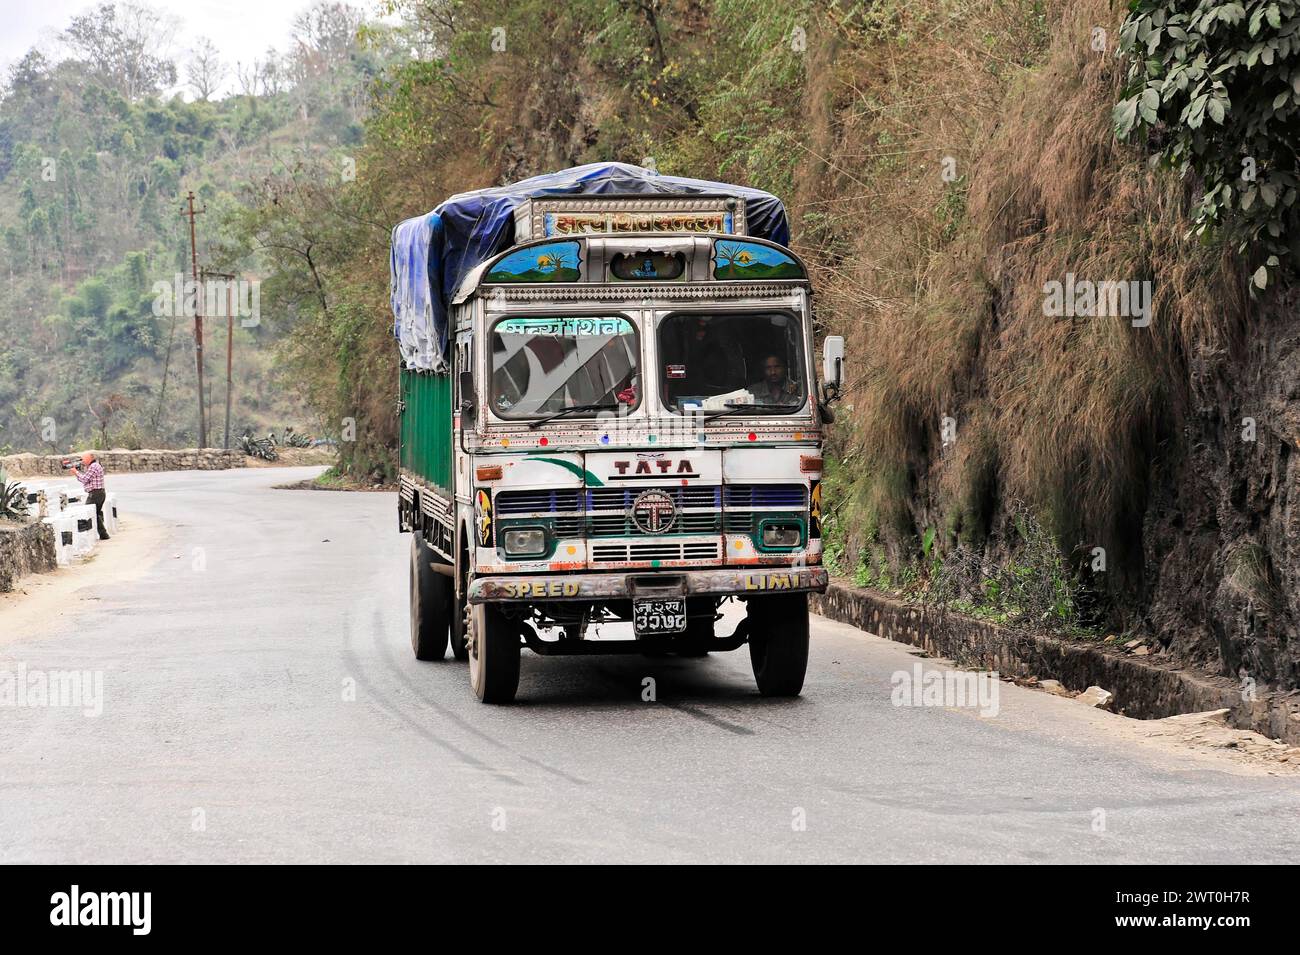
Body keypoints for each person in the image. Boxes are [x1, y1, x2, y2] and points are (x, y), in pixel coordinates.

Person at [70, 452, 110, 540]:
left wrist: (76, 472)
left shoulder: (93, 466)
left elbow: (84, 479)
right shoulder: (93, 466)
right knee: (95, 513)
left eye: (84, 459)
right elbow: (85, 478)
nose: (82, 461)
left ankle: (91, 537)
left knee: (87, 513)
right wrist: (77, 472)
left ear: (89, 459)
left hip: (96, 494)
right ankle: (103, 535)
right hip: (98, 493)